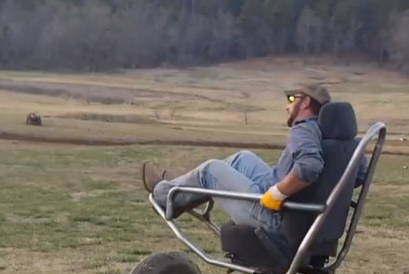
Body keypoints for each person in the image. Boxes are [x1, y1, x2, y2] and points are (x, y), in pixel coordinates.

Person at [141, 84, 348, 245]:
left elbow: (310, 168)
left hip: (274, 216)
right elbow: (357, 176)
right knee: (243, 158)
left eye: (293, 99)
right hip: (296, 213)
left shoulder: (303, 129)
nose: (287, 106)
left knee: (210, 170)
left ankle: (165, 195)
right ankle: (182, 189)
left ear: (306, 103)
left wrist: (278, 193)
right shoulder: (338, 141)